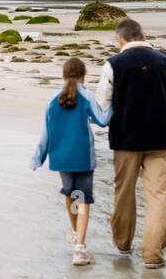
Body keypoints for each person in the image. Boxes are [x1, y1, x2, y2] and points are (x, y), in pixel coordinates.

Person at [95, 18, 166, 268]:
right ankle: (152, 253)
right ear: (144, 37)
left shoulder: (112, 64)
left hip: (126, 138)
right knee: (158, 195)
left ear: (119, 39)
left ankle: (123, 243)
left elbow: (102, 105)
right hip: (161, 137)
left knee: (124, 193)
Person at [30, 57, 112, 265]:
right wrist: (113, 104)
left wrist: (38, 158)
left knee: (71, 194)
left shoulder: (52, 99)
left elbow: (45, 134)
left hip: (60, 157)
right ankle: (80, 249)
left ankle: (76, 234)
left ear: (63, 75)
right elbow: (103, 120)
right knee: (83, 199)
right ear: (84, 76)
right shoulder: (87, 96)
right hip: (82, 156)